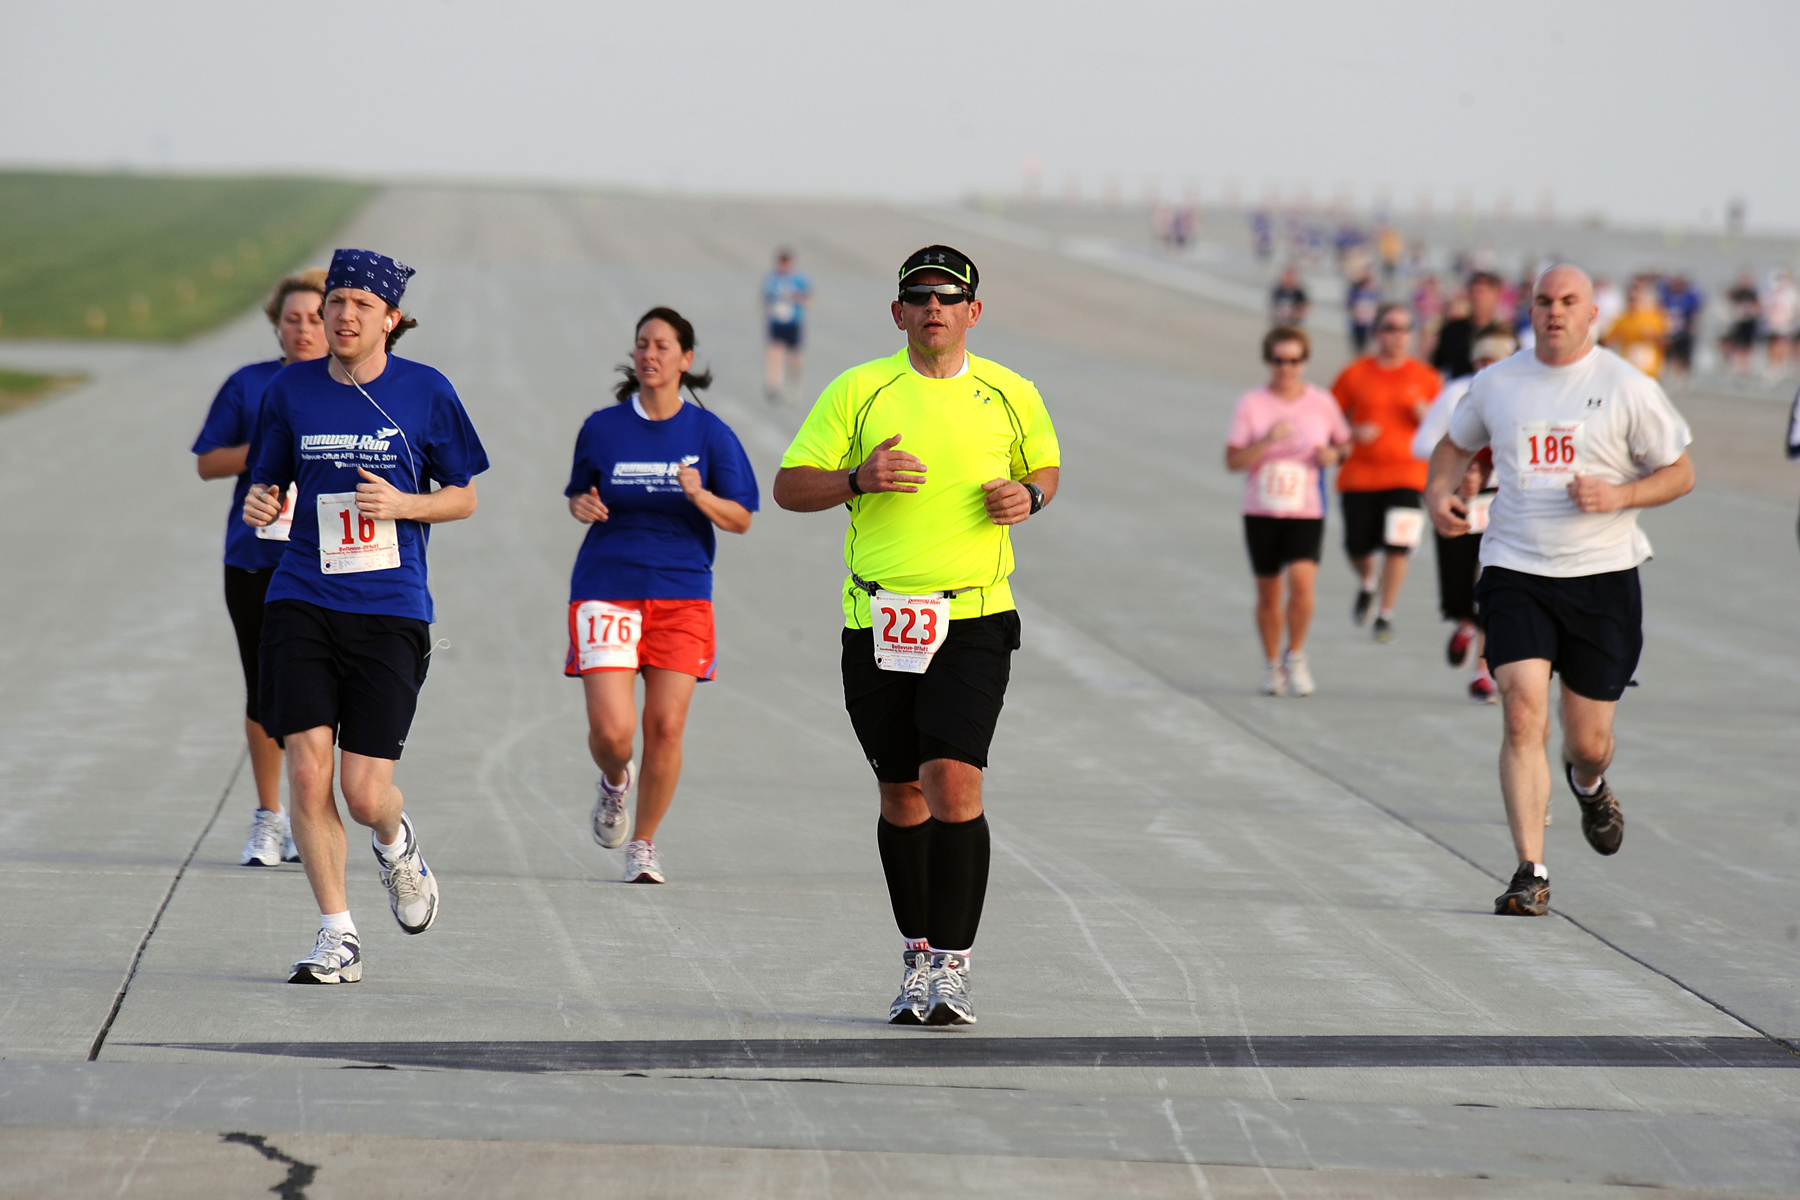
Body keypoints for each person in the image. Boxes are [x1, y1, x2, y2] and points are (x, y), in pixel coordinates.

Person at [773, 245, 1060, 1027]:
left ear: (973, 311)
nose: (934, 308)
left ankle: (954, 969)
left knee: (951, 781)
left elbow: (1047, 468)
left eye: (949, 297)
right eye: (919, 297)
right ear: (898, 312)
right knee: (901, 794)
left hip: (972, 615)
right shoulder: (860, 391)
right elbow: (790, 486)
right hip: (878, 618)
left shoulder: (1011, 393)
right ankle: (916, 955)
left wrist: (1029, 494)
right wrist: (857, 478)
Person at [243, 249, 489, 983]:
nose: (342, 315)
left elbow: (464, 493)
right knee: (309, 773)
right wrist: (261, 500)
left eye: (358, 304)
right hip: (301, 600)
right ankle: (336, 935)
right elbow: (268, 479)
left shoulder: (426, 392)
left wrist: (406, 504)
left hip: (390, 610)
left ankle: (395, 842)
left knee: (362, 791)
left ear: (391, 318)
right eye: (334, 301)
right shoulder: (291, 391)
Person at [1425, 265, 1693, 917]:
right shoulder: (1498, 383)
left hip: (1602, 579)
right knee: (1520, 713)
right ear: (1530, 309)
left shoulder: (1626, 386)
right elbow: (1452, 448)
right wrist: (1436, 494)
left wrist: (1620, 495)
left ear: (1590, 313)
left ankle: (1590, 784)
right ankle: (1530, 870)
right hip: (1516, 570)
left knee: (1587, 740)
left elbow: (1681, 471)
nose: (1555, 312)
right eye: (1544, 300)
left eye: (1569, 302)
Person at [564, 308, 759, 884]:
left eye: (663, 346)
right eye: (643, 344)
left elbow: (742, 517)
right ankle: (614, 782)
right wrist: (582, 506)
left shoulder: (709, 434)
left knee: (666, 727)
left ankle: (643, 843)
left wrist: (700, 496)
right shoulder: (602, 426)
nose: (650, 355)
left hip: (681, 594)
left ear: (685, 359)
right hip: (606, 588)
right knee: (613, 734)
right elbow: (581, 493)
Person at [192, 268, 327, 867]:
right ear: (275, 325)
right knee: (264, 689)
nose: (303, 330)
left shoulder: (347, 389)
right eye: (292, 319)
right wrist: (270, 451)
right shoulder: (249, 386)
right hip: (253, 560)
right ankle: (269, 816)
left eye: (316, 318)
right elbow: (207, 462)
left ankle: (308, 816)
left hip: (325, 564)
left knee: (321, 697)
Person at [1226, 327, 1349, 696]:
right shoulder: (1251, 404)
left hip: (1305, 508)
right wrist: (1267, 440)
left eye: (1294, 361)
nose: (1286, 368)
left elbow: (1343, 445)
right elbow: (1233, 460)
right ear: (1269, 361)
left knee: (1301, 583)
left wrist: (1334, 455)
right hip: (1261, 508)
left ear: (1304, 362)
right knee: (1268, 593)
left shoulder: (1321, 402)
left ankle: (1295, 654)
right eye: (1279, 361)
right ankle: (1271, 665)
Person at [1412, 329, 1519, 702]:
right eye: (1483, 361)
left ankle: (1481, 673)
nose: (1489, 368)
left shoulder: (1524, 396)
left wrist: (1492, 474)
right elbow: (1424, 442)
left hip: (1501, 500)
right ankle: (1463, 623)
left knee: (1495, 582)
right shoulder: (1458, 393)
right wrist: (1463, 468)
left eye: (1498, 360)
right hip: (1458, 496)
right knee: (1458, 588)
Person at [1332, 302, 1441, 641]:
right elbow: (1327, 418)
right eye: (1390, 328)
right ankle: (1368, 581)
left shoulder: (1426, 378)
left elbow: (1449, 431)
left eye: (1404, 329)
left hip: (1407, 475)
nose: (1397, 336)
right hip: (1360, 475)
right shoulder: (1355, 373)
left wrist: (1428, 420)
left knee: (1399, 544)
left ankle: (1385, 613)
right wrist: (1352, 432)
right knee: (1357, 547)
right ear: (1377, 333)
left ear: (1413, 335)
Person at [1431, 271, 1502, 380]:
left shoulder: (1503, 333)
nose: (1477, 297)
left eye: (1482, 292)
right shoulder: (1452, 330)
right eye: (1473, 292)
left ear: (1494, 295)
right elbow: (1437, 367)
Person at [762, 249, 812, 403]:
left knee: (794, 356)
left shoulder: (799, 280)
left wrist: (795, 297)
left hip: (793, 322)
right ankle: (774, 385)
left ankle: (795, 385)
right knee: (774, 352)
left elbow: (809, 300)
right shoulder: (772, 280)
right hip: (777, 322)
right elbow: (765, 299)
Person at [1604, 278, 1670, 379]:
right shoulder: (1622, 319)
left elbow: (1667, 341)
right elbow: (1607, 342)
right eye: (1631, 298)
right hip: (1629, 370)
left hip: (1651, 371)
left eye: (1637, 295)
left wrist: (1653, 337)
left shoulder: (1656, 316)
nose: (1633, 299)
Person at [1660, 275, 1701, 379]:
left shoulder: (1689, 298)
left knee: (1683, 356)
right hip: (1669, 330)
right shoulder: (1667, 297)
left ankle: (1681, 376)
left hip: (1684, 331)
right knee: (1668, 355)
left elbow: (1695, 314)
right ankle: (1669, 376)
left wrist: (1692, 327)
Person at [1723, 271, 1761, 374]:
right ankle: (1737, 367)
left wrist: (1751, 312)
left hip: (1749, 322)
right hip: (1737, 322)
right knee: (1737, 345)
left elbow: (1758, 308)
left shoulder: (1753, 293)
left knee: (1747, 346)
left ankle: (1746, 368)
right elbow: (1727, 306)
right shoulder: (1736, 293)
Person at [1346, 268, 1381, 355]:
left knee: (1367, 347)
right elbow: (1349, 305)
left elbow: (1377, 306)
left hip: (1369, 323)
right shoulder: (1355, 291)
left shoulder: (1374, 292)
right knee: (1358, 346)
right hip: (1358, 323)